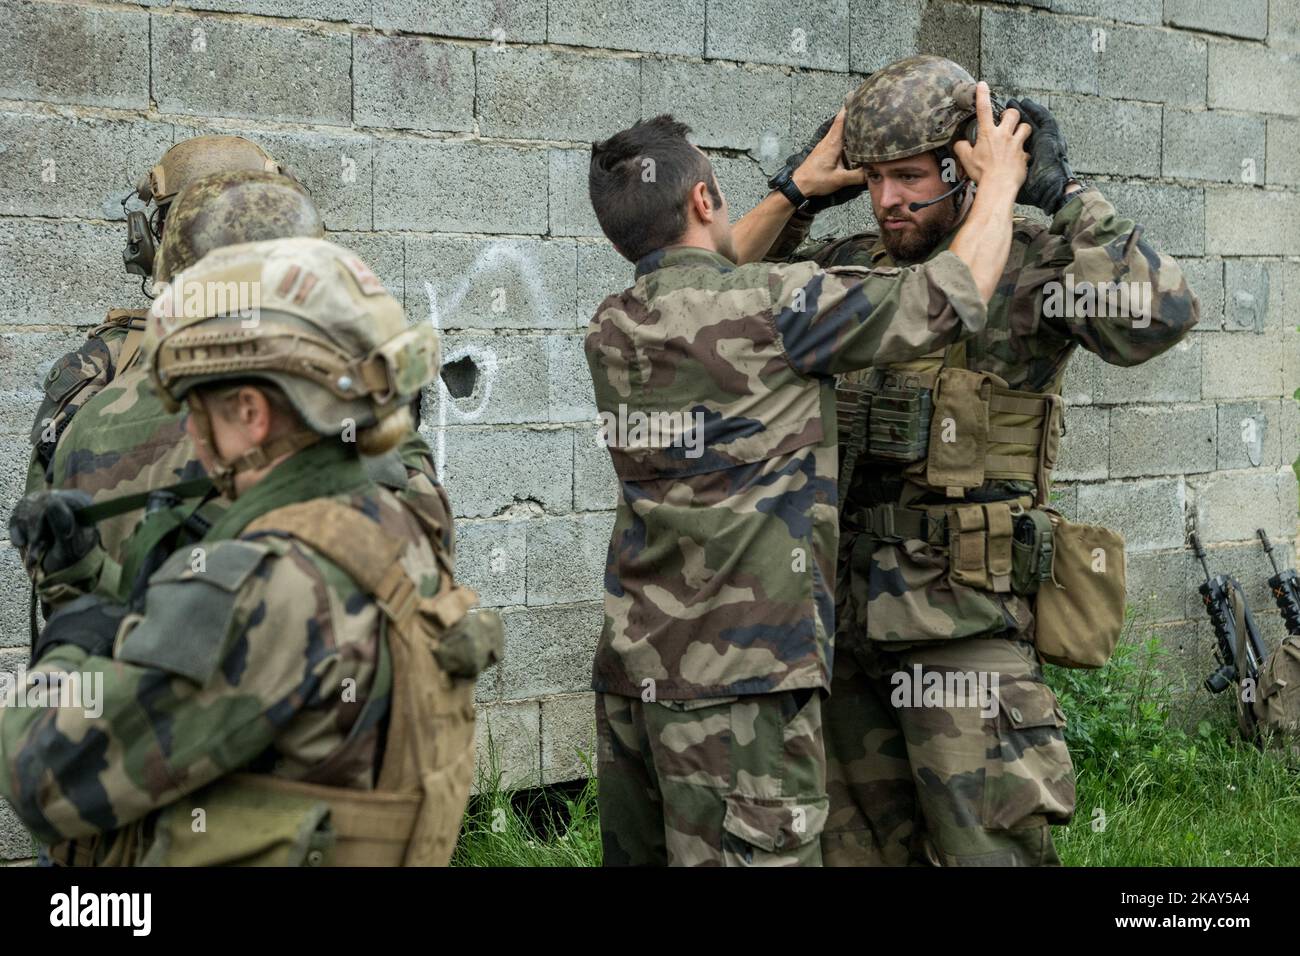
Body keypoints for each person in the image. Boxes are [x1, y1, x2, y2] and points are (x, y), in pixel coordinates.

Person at [766, 55, 1200, 866]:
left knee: (988, 850)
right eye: (872, 180)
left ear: (966, 166)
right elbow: (706, 309)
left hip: (964, 626)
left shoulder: (1032, 263)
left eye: (906, 176)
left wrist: (1066, 199)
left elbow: (1160, 316)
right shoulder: (847, 265)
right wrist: (797, 194)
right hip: (841, 623)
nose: (887, 198)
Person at [584, 87, 1031, 865]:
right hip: (743, 690)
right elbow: (949, 297)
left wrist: (794, 192)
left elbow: (707, 273)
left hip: (634, 677)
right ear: (702, 196)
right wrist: (998, 182)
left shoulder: (613, 324)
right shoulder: (779, 306)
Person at [1, 237, 499, 866]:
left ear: (250, 412)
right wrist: (95, 574)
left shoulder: (270, 584)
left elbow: (39, 772)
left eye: (194, 407)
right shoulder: (407, 517)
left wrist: (72, 628)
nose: (190, 431)